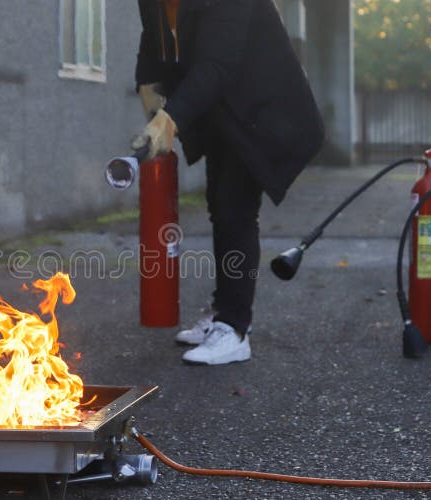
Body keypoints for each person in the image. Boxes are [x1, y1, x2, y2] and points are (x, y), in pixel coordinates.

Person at [133, 0, 324, 365]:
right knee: (220, 206)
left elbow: (218, 64)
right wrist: (149, 89)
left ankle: (235, 329)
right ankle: (224, 311)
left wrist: (170, 119)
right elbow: (152, 40)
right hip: (221, 107)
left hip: (262, 110)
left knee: (235, 208)